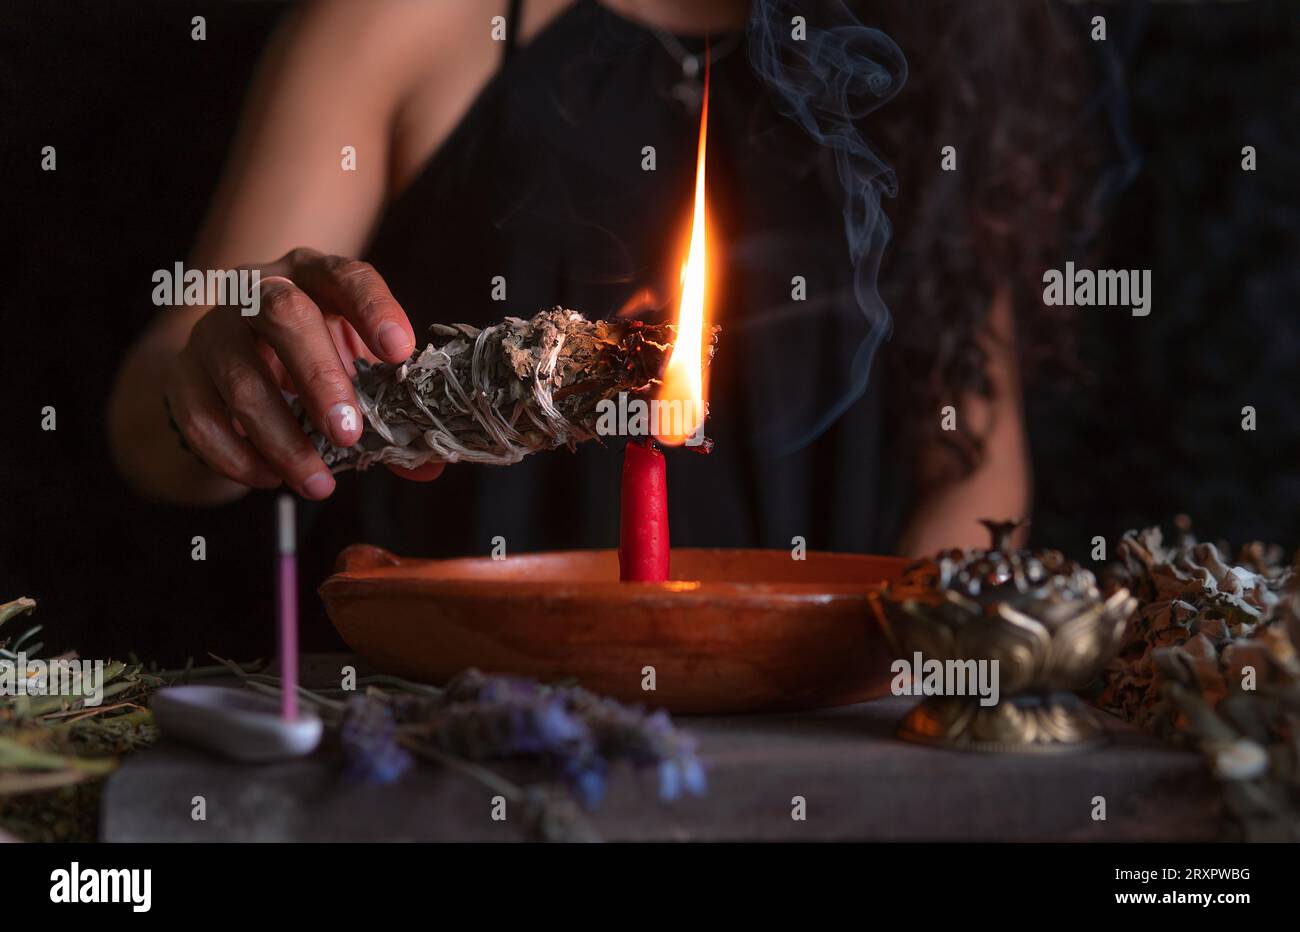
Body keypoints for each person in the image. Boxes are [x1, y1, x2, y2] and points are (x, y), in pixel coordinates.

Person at [109, 0, 1096, 565]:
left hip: (827, 737)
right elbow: (153, 421)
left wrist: (901, 698)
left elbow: (974, 462)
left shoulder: (934, 46)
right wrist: (217, 386)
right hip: (460, 747)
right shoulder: (406, 24)